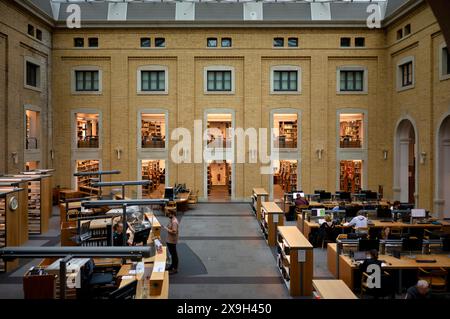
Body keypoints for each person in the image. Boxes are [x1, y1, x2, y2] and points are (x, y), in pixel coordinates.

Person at [164, 210, 179, 274]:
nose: (168, 215)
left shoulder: (174, 222)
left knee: (174, 254)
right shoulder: (171, 220)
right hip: (169, 239)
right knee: (172, 254)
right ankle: (172, 266)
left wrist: (166, 229)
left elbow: (174, 232)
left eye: (169, 214)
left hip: (172, 240)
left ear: (172, 214)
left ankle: (175, 269)